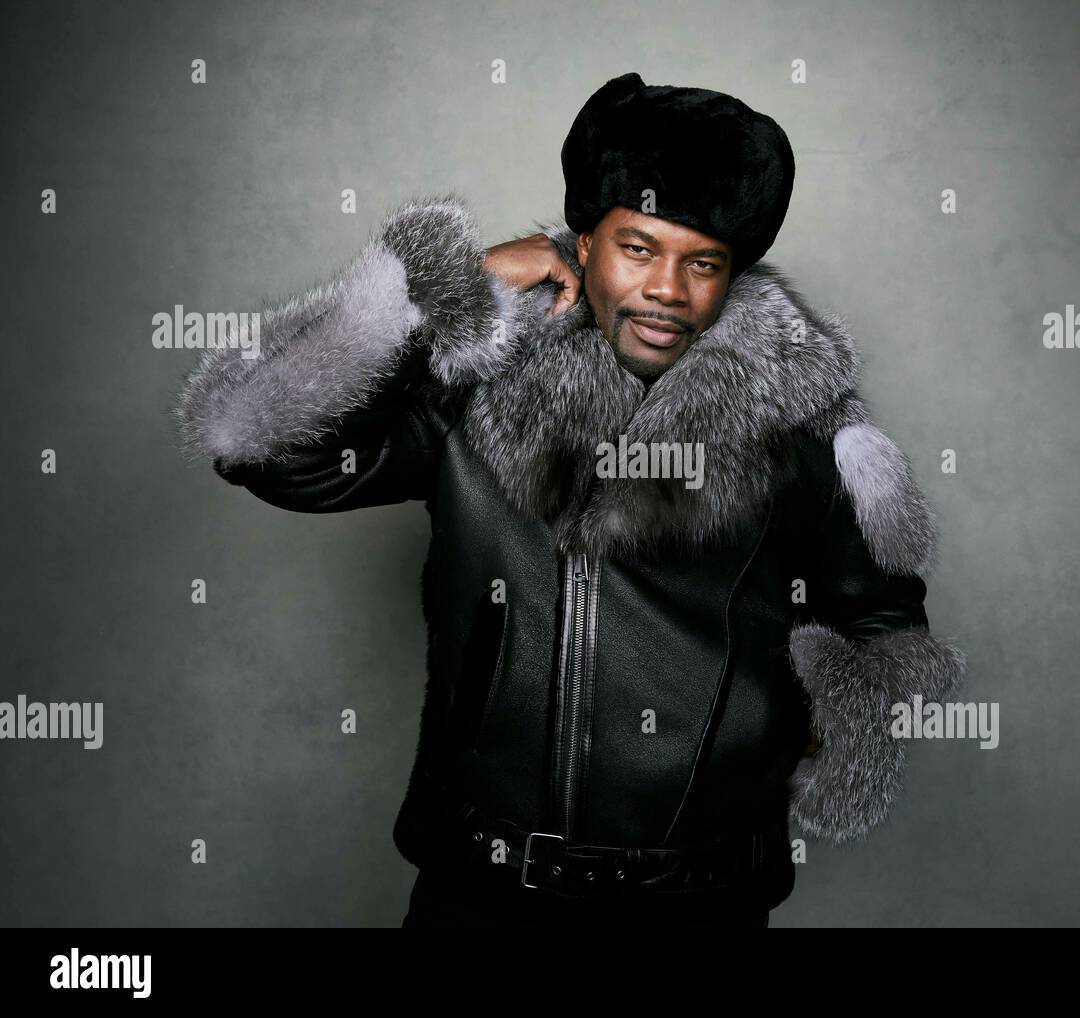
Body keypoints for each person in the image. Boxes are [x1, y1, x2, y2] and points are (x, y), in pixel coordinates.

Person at [173, 71, 967, 928]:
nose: (668, 288)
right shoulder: (471, 393)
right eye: (638, 248)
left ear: (732, 277)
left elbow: (881, 621)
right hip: (477, 894)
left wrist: (794, 728)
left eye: (703, 263)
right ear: (584, 245)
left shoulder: (800, 433)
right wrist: (433, 294)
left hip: (698, 904)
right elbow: (255, 443)